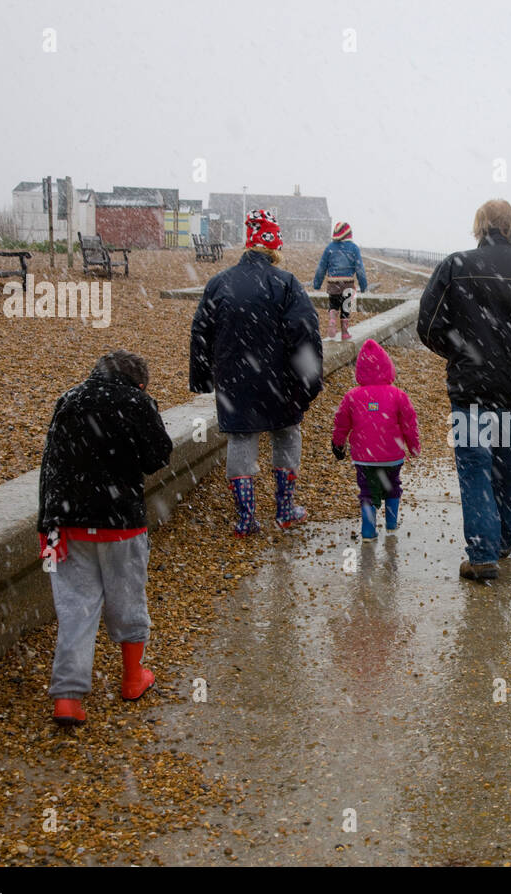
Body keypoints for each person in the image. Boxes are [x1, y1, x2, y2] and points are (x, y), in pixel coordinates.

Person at [417, 198, 511, 581]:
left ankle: (484, 552)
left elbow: (428, 323)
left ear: (480, 226)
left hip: (471, 389)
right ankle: (502, 537)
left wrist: (459, 353)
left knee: (474, 467)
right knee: (506, 464)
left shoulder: (456, 266)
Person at [37, 350, 173, 727]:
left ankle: (67, 698)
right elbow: (157, 457)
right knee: (127, 598)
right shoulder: (137, 401)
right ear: (140, 381)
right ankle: (132, 678)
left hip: (69, 523)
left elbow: (50, 467)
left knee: (76, 609)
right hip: (121, 523)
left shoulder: (69, 400)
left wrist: (46, 526)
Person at [190, 209, 323, 536]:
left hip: (235, 379)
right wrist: (308, 383)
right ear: (274, 247)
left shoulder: (219, 283)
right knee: (287, 434)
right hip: (280, 380)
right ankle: (285, 509)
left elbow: (200, 332)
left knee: (241, 439)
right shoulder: (286, 283)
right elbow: (304, 333)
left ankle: (246, 517)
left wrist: (203, 378)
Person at [331, 339, 421, 540]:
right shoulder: (398, 395)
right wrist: (413, 446)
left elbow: (342, 422)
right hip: (392, 456)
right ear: (388, 368)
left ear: (360, 370)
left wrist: (338, 443)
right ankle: (391, 524)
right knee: (392, 486)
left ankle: (368, 531)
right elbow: (409, 424)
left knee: (367, 492)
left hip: (364, 458)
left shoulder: (352, 396)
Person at [313, 221, 369, 341]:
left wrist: (317, 284)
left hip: (333, 283)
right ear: (349, 235)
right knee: (347, 307)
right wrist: (363, 285)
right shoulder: (354, 248)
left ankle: (332, 319)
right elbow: (360, 268)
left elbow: (321, 267)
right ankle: (344, 332)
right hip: (348, 283)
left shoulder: (330, 248)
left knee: (333, 304)